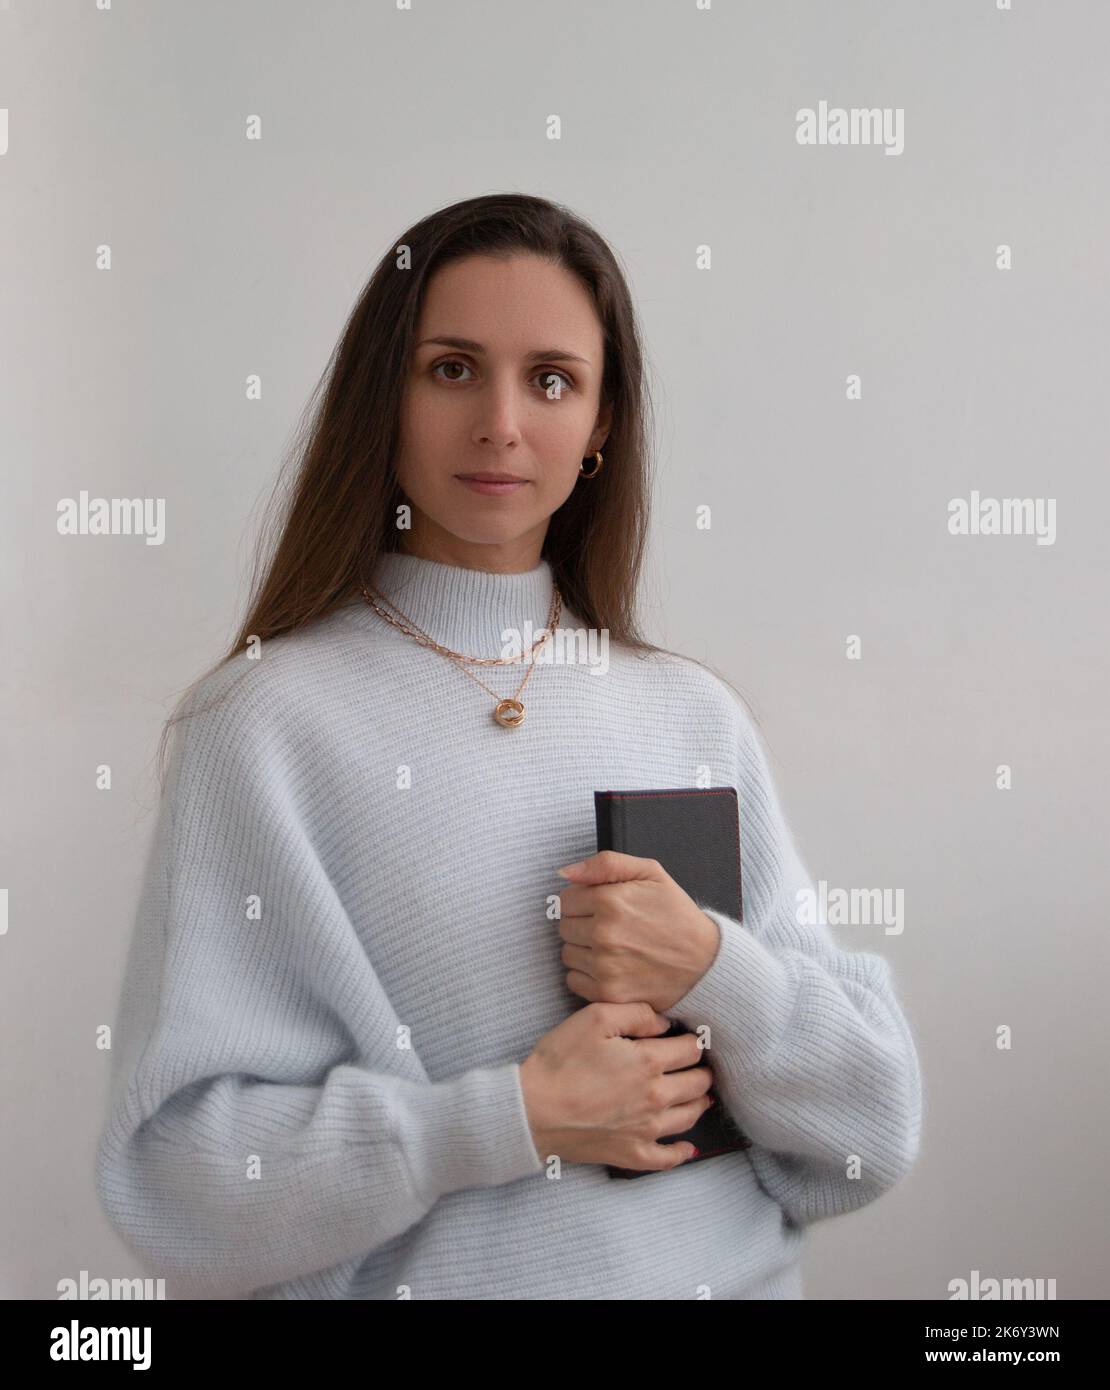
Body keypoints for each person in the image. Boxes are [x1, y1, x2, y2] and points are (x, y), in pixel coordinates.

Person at [94, 192, 923, 1300]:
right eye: (450, 368)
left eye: (551, 379)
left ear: (603, 424)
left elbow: (871, 1132)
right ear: (381, 396)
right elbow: (179, 1183)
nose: (500, 422)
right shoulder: (265, 726)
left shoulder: (691, 715)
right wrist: (510, 1118)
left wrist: (714, 970)